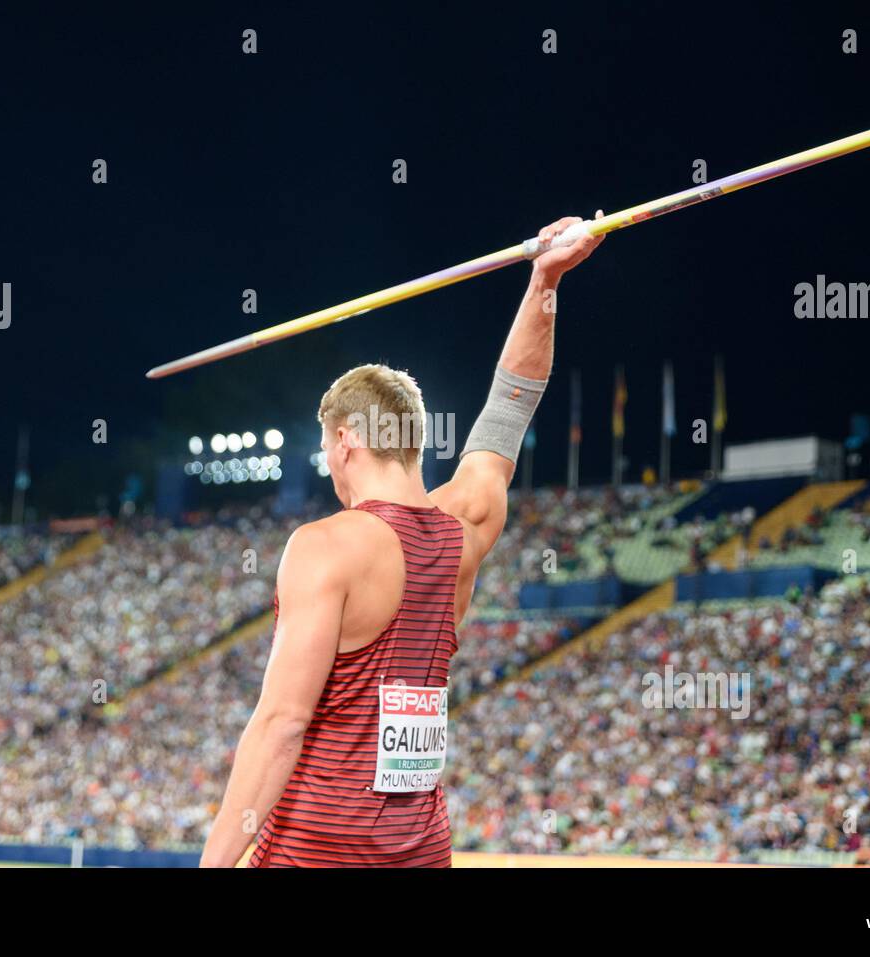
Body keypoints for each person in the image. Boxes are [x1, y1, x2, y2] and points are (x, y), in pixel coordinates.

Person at [200, 215, 604, 867]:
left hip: (316, 851)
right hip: (419, 852)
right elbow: (511, 405)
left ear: (345, 441)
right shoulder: (466, 523)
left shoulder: (324, 546)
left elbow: (281, 723)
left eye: (327, 447)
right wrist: (545, 281)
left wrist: (214, 861)